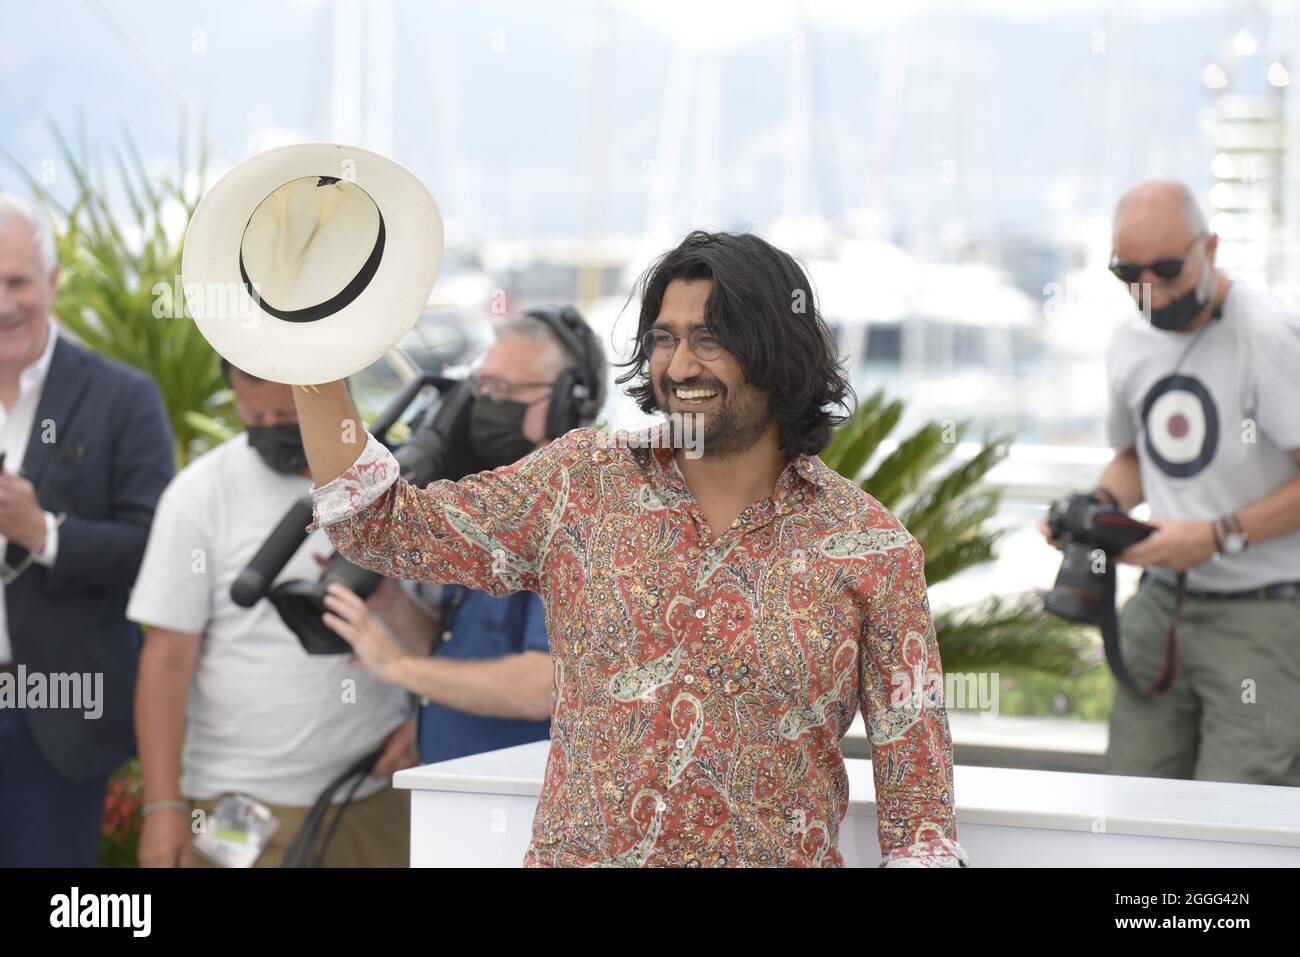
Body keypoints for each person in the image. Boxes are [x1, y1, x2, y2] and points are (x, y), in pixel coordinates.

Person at [297, 230, 968, 868]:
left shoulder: (871, 548)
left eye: (709, 341)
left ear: (776, 353)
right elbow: (379, 524)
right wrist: (307, 347)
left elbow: (922, 823)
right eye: (664, 340)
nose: (678, 366)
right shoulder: (580, 483)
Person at [1050, 181, 1300, 785]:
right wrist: (1097, 508)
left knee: (1237, 823)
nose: (1152, 292)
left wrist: (1217, 536)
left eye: (1167, 270)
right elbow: (1138, 458)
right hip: (1159, 606)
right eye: (1128, 273)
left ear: (1209, 247)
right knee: (1135, 800)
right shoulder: (1130, 343)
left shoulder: (1267, 333)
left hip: (1261, 614)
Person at [130, 358, 416, 868]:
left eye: (287, 416)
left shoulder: (395, 483)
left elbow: (437, 634)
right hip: (243, 801)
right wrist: (162, 806)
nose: (272, 432)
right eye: (255, 419)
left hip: (374, 795)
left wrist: (424, 721)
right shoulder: (200, 496)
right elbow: (166, 660)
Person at [321, 309, 606, 764]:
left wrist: (398, 669)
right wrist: (391, 606)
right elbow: (465, 655)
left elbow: (543, 685)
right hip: (455, 804)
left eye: (508, 390)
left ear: (567, 403)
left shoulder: (579, 513)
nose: (488, 403)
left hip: (520, 811)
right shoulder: (493, 507)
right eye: (484, 386)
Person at [0, 195, 175, 867]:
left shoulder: (122, 398)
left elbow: (154, 548)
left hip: (57, 727)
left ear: (52, 281)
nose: (5, 302)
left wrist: (43, 531)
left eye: (17, 281)